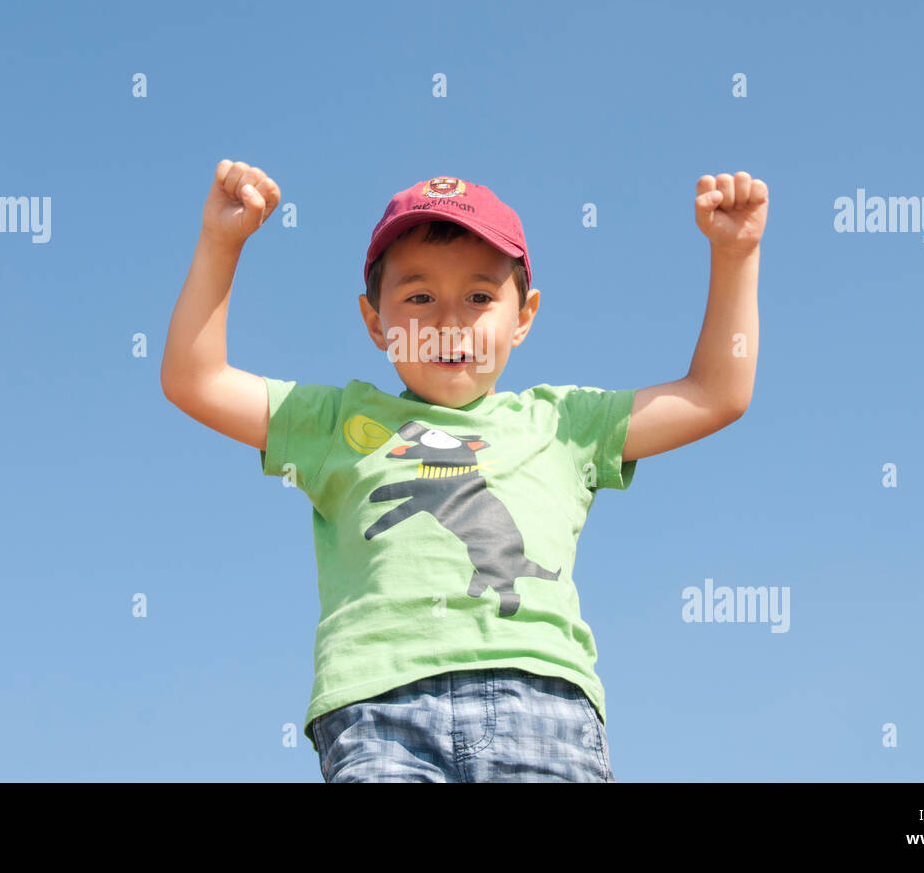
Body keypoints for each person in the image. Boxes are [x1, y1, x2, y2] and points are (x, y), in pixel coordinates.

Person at [160, 162, 769, 782]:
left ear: (523, 316)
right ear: (376, 322)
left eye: (479, 297)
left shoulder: (563, 423)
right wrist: (222, 240)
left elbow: (716, 393)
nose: (449, 322)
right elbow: (195, 380)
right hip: (379, 711)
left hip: (542, 704)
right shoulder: (336, 422)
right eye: (419, 297)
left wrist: (736, 254)